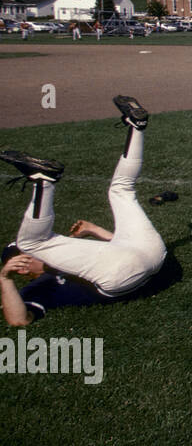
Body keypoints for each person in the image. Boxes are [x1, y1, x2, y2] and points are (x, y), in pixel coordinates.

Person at [1, 95, 178, 327]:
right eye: (27, 259)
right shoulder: (40, 286)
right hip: (138, 264)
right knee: (31, 242)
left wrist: (94, 230)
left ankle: (136, 126)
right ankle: (44, 181)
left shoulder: (70, 260)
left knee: (120, 189)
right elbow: (19, 321)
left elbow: (124, 249)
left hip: (148, 256)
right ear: (23, 267)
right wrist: (4, 278)